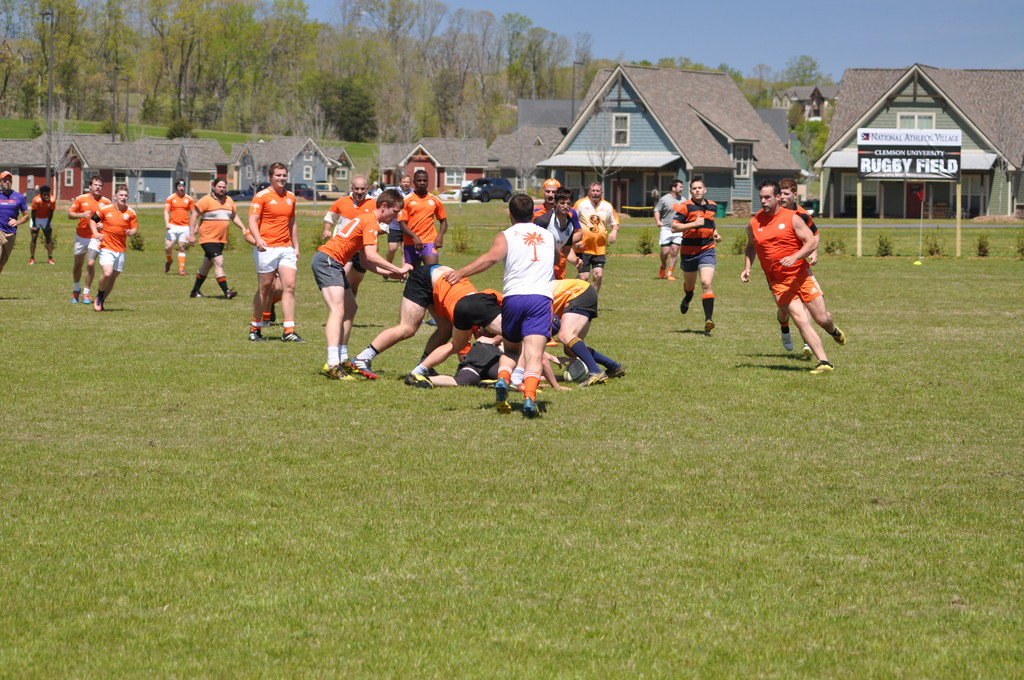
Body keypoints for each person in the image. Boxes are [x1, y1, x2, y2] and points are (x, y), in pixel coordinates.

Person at [442, 194, 555, 418]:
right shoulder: (548, 236)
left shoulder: (506, 235)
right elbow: (557, 256)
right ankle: (530, 398)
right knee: (533, 353)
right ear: (533, 212)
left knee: (512, 349)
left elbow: (490, 258)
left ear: (510, 214)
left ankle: (503, 379)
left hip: (513, 298)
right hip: (540, 299)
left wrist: (461, 272)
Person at [741, 180, 846, 374]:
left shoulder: (792, 218)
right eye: (761, 198)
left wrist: (796, 256)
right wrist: (747, 267)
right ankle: (824, 362)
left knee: (822, 318)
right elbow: (750, 245)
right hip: (778, 282)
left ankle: (832, 330)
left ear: (778, 197)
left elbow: (811, 241)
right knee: (800, 319)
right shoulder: (755, 222)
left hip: (801, 275)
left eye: (767, 197)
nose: (763, 201)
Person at [311, 188, 412, 379]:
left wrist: (390, 274)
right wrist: (397, 268)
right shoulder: (371, 222)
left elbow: (366, 261)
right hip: (328, 261)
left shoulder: (368, 220)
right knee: (337, 310)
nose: (396, 217)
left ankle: (342, 360)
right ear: (384, 206)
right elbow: (373, 255)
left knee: (350, 308)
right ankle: (332, 364)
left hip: (333, 262)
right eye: (395, 212)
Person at [350, 264, 496, 379]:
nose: (482, 338)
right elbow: (462, 354)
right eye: (486, 335)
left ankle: (424, 366)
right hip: (425, 278)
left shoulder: (490, 310)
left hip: (440, 280)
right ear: (479, 329)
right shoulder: (468, 317)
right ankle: (362, 358)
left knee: (446, 329)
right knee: (407, 328)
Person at [321, 175, 377, 361]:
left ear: (367, 188)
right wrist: (326, 229)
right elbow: (330, 216)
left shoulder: (374, 204)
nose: (360, 192)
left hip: (362, 249)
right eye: (356, 188)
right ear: (351, 187)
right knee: (341, 278)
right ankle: (336, 312)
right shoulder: (342, 202)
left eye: (363, 189)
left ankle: (343, 309)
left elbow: (381, 224)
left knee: (354, 286)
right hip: (343, 251)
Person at [248, 162, 303, 342]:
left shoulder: (291, 197)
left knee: (289, 286)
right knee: (265, 288)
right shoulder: (261, 196)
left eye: (284, 175)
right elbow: (252, 220)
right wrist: (258, 239)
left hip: (286, 248)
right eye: (278, 175)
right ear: (270, 177)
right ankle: (255, 328)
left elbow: (292, 222)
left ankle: (289, 330)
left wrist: (296, 246)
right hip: (267, 248)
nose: (281, 178)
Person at [551, 278, 625, 385]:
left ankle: (596, 373)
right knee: (570, 350)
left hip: (578, 291)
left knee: (565, 335)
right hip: (582, 291)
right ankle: (614, 367)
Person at [776, 177, 820, 356]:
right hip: (778, 270)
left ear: (795, 195)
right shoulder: (773, 213)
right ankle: (784, 327)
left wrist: (814, 251)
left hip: (798, 266)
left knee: (806, 304)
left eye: (786, 194)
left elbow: (815, 235)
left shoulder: (802, 214)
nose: (782, 197)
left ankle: (808, 342)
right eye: (780, 194)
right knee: (783, 309)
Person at [672, 178, 721, 333]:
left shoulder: (712, 205)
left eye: (700, 188)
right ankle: (688, 296)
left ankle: (709, 319)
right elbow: (674, 227)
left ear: (704, 189)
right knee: (689, 286)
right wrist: (693, 224)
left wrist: (716, 234)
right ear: (691, 191)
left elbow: (711, 224)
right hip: (688, 252)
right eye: (694, 188)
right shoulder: (684, 207)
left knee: (706, 283)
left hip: (707, 249)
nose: (697, 190)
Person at [188, 177, 246, 299]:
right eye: (219, 187)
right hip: (208, 238)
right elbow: (194, 215)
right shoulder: (206, 200)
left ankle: (195, 291)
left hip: (220, 239)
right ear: (214, 187)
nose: (222, 189)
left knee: (207, 265)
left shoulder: (229, 200)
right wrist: (192, 234)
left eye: (224, 187)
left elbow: (234, 216)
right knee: (219, 262)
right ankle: (227, 292)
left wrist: (243, 228)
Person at [90, 185, 138, 311]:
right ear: (115, 196)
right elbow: (92, 220)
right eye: (121, 195)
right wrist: (95, 233)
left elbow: (134, 228)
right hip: (107, 247)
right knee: (107, 273)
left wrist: (132, 232)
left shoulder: (131, 212)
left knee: (113, 276)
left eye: (126, 195)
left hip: (121, 249)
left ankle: (101, 301)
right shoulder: (105, 209)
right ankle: (100, 295)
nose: (123, 197)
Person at [68, 175, 111, 304]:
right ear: (90, 186)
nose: (98, 187)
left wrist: (103, 225)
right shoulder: (81, 199)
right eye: (96, 185)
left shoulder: (106, 202)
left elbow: (110, 219)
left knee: (90, 263)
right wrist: (81, 215)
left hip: (96, 236)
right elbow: (70, 214)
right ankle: (76, 290)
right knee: (77, 266)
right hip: (81, 236)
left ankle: (87, 293)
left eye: (100, 185)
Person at [571, 181, 618, 292]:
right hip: (583, 247)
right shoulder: (580, 204)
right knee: (584, 277)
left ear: (601, 192)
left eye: (598, 191)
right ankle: (573, 292)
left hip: (599, 248)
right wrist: (575, 239)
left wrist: (614, 232)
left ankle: (591, 301)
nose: (595, 193)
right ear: (589, 192)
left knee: (598, 275)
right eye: (593, 191)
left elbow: (615, 223)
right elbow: (571, 221)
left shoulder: (607, 206)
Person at [398, 169, 448, 266]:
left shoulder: (434, 199)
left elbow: (444, 221)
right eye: (419, 180)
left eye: (424, 180)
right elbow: (402, 224)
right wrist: (415, 237)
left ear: (428, 182)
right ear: (414, 182)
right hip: (411, 242)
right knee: (414, 275)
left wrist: (440, 236)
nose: (422, 183)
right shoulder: (406, 200)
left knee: (431, 270)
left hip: (429, 241)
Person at [533, 186, 581, 280]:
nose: (565, 206)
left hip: (554, 266)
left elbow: (566, 249)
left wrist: (576, 261)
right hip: (537, 267)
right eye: (562, 203)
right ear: (555, 203)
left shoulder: (570, 225)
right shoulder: (543, 221)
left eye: (568, 203)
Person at [653, 179, 684, 280]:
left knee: (675, 250)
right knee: (665, 252)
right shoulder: (664, 199)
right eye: (680, 187)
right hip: (666, 228)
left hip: (678, 229)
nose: (681, 189)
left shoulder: (684, 200)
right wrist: (658, 221)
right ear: (673, 188)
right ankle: (663, 265)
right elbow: (657, 210)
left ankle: (670, 273)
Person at [164, 179, 195, 275]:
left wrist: (194, 228)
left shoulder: (189, 199)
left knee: (181, 246)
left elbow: (193, 213)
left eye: (183, 186)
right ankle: (169, 261)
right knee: (168, 246)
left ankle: (181, 269)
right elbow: (166, 211)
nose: (181, 188)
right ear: (176, 187)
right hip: (172, 226)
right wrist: (167, 223)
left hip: (184, 227)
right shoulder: (171, 198)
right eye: (179, 186)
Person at [0, 171, 28, 276]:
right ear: (0, 182)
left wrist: (17, 221)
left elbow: (26, 216)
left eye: (9, 180)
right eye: (5, 180)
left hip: (11, 233)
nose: (7, 182)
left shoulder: (18, 197)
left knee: (2, 263)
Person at [384, 174, 413, 269]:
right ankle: (388, 265)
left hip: (407, 226)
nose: (406, 184)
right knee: (392, 248)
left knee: (405, 250)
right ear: (400, 183)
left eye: (408, 182)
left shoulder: (413, 193)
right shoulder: (394, 192)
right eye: (404, 182)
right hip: (394, 225)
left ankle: (403, 274)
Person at [29, 184, 56, 265]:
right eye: (45, 194)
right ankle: (32, 258)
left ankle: (50, 258)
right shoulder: (36, 200)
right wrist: (34, 225)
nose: (47, 196)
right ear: (41, 194)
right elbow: (33, 213)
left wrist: (47, 224)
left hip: (46, 218)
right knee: (34, 237)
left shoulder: (52, 200)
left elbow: (51, 213)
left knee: (48, 238)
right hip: (36, 218)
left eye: (48, 194)